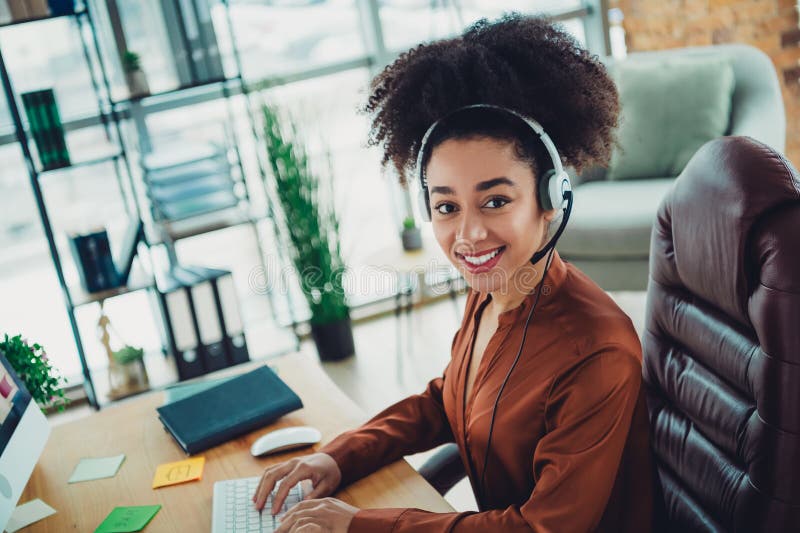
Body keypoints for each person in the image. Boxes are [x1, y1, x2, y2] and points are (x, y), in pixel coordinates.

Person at [253, 13, 656, 533]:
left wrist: (363, 525)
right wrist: (338, 457)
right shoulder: (494, 294)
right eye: (446, 207)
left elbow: (542, 528)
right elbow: (451, 399)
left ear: (551, 198)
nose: (468, 235)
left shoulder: (596, 352)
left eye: (494, 200)